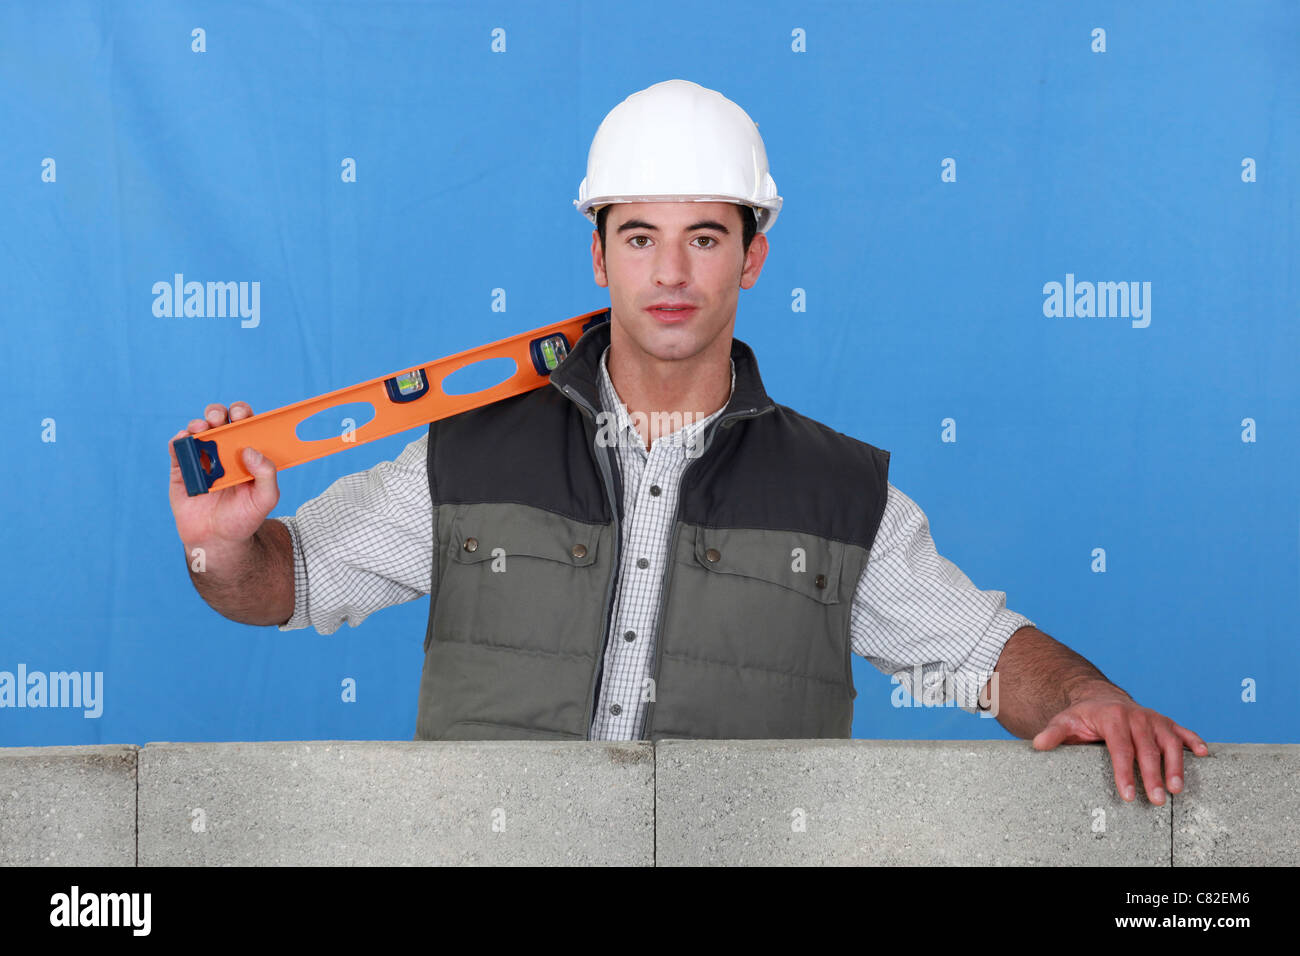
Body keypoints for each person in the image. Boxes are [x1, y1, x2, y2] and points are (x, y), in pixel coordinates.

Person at [168, 78, 1207, 805]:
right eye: (639, 237)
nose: (671, 273)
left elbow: (977, 657)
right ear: (598, 255)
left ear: (752, 257)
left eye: (704, 237)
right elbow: (278, 586)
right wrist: (221, 542)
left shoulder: (838, 499)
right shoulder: (460, 458)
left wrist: (1089, 699)